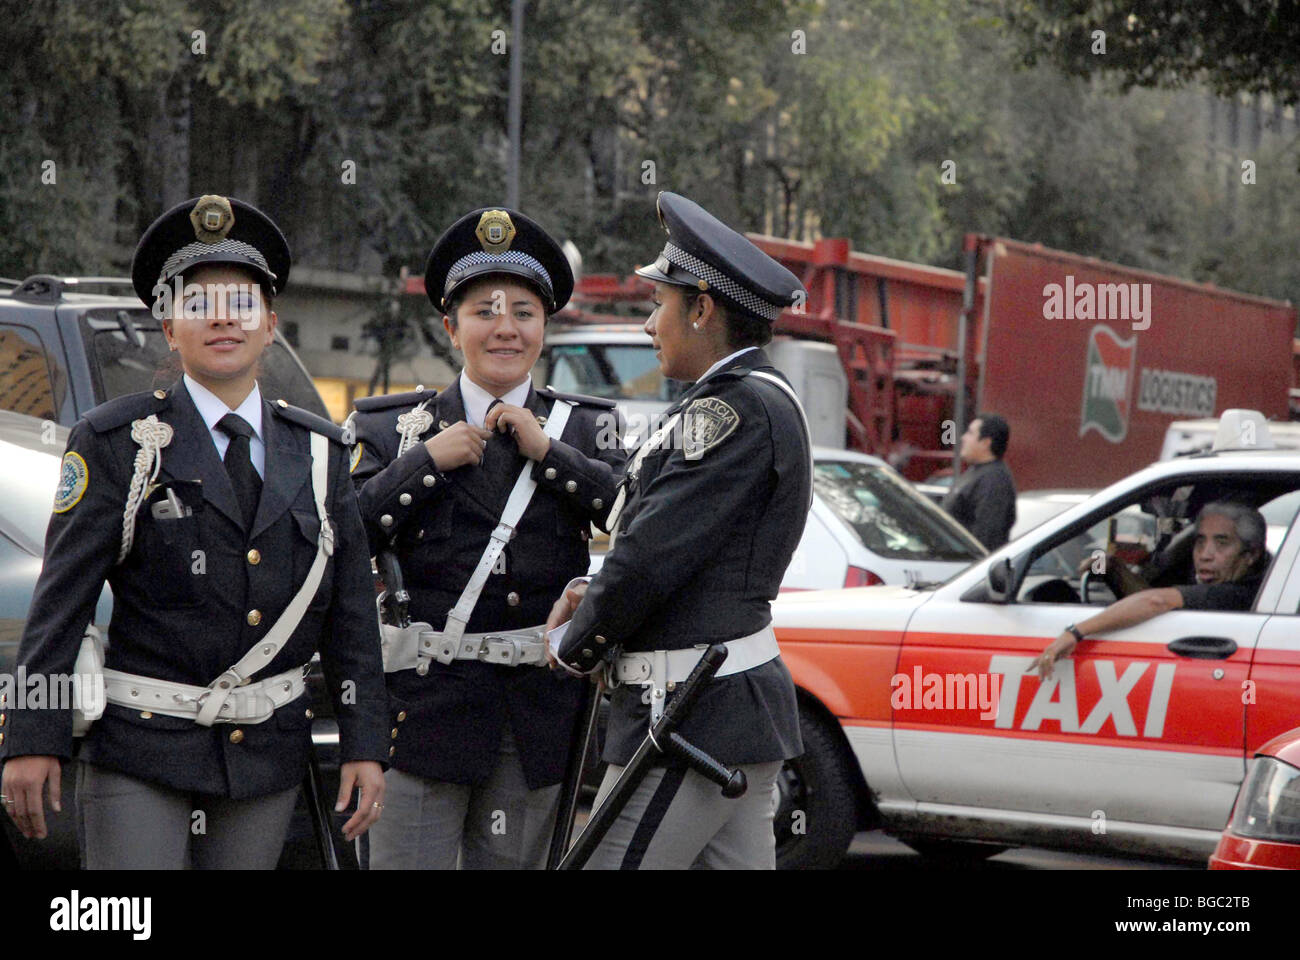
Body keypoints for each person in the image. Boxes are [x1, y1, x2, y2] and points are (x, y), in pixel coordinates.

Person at [0, 195, 389, 868]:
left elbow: (352, 615)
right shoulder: (116, 441)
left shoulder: (321, 452)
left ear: (270, 325)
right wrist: (33, 737)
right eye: (196, 302)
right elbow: (59, 603)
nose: (221, 319)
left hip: (265, 753)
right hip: (140, 749)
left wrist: (364, 743)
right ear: (168, 327)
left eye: (241, 303)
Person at [349, 206, 626, 870]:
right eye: (484, 311)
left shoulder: (588, 429)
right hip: (422, 712)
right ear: (450, 327)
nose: (505, 328)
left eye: (524, 312)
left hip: (534, 719)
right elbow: (344, 533)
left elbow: (629, 516)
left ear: (546, 326)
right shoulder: (391, 428)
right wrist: (425, 462)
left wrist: (549, 452)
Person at [547, 191, 811, 870]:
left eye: (657, 305)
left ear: (701, 308)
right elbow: (663, 534)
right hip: (724, 712)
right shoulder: (738, 401)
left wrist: (576, 644)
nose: (646, 327)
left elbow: (651, 557)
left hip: (691, 715)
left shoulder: (733, 411)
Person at [1029, 501, 1269, 680]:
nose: (1205, 555)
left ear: (1251, 554)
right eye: (1199, 541)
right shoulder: (1255, 584)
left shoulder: (1237, 594)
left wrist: (1074, 633)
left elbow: (1155, 601)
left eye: (1222, 543)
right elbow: (1138, 593)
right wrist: (1111, 568)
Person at [941, 413, 1016, 550]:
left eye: (970, 433)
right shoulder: (977, 472)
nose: (963, 438)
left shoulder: (994, 482)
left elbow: (987, 538)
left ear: (985, 443)